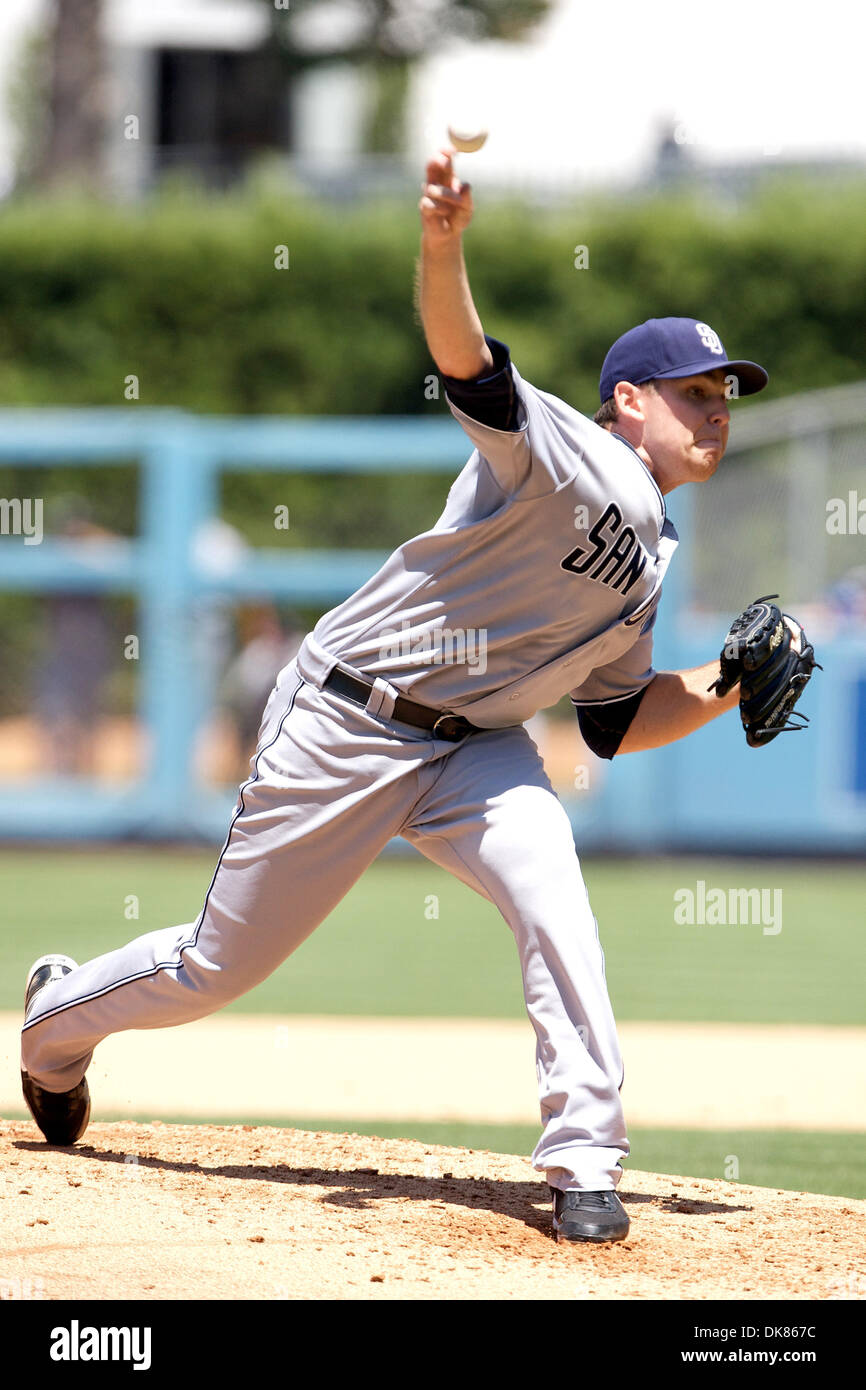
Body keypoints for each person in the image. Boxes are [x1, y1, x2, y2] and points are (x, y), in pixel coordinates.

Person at [20, 149, 768, 1245]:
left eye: (725, 399)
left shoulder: (650, 560)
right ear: (627, 400)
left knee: (552, 893)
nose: (716, 413)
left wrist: (721, 681)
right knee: (218, 966)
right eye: (695, 394)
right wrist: (440, 238)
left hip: (476, 751)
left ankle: (584, 1157)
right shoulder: (565, 451)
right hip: (346, 719)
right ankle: (51, 1024)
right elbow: (466, 363)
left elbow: (612, 720)